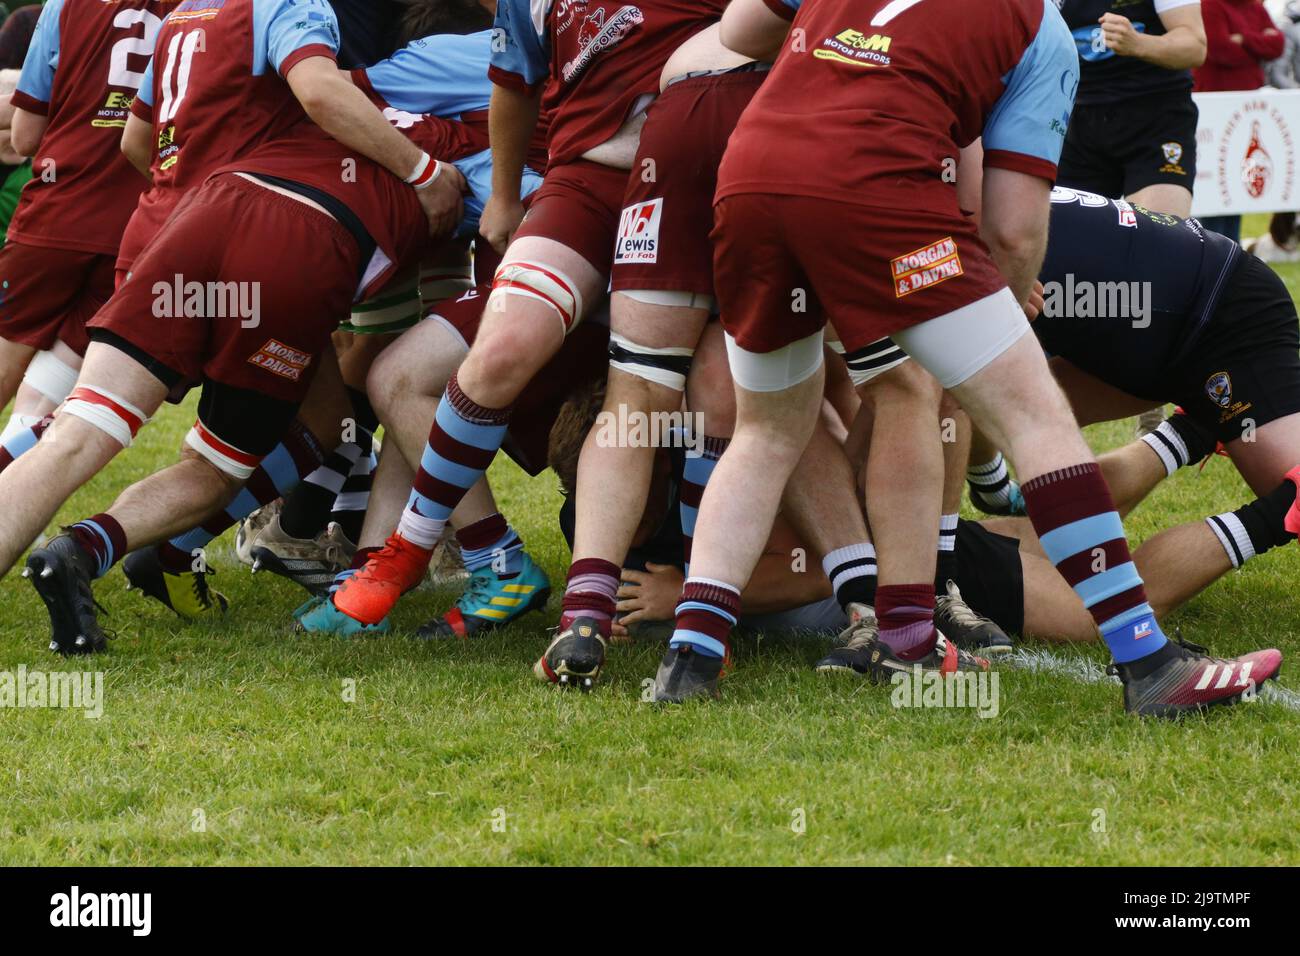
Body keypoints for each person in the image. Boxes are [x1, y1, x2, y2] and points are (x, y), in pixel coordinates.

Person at [657, 0, 1281, 716]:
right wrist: (1009, 307)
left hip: (751, 174)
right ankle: (1148, 662)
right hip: (873, 183)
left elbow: (740, 32)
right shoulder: (1039, 25)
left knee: (775, 429)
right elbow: (1013, 229)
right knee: (1033, 413)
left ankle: (695, 657)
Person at [1057, 1, 1208, 219]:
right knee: (1066, 243)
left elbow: (1195, 46)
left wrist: (1138, 43)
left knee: (1159, 239)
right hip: (1078, 123)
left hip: (1157, 121)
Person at [1195, 0, 1285, 243]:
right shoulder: (1211, 5)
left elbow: (1277, 45)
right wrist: (1259, 41)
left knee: (1235, 186)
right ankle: (1213, 247)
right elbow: (1219, 49)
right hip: (1214, 112)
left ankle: (1230, 248)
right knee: (1215, 189)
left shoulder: (1255, 7)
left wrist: (1244, 39)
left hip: (1244, 113)